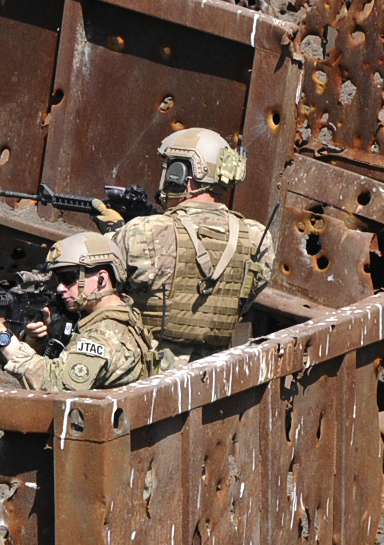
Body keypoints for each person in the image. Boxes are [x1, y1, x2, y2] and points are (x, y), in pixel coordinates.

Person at [101, 127, 274, 370]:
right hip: (213, 374)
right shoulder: (257, 238)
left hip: (147, 372)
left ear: (180, 174)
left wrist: (113, 230)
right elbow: (243, 302)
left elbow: (99, 284)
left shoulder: (145, 231)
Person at [0, 233, 157, 391]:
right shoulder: (123, 312)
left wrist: (3, 338)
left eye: (69, 278)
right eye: (59, 279)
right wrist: (36, 340)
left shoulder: (103, 336)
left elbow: (56, 385)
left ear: (101, 279)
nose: (60, 287)